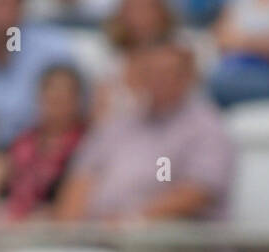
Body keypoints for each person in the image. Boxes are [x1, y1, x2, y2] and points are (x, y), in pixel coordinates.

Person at [54, 39, 232, 223]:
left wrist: (131, 220)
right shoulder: (118, 124)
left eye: (166, 73)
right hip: (97, 235)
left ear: (188, 77)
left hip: (167, 241)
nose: (157, 80)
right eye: (150, 73)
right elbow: (82, 178)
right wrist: (69, 231)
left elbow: (199, 192)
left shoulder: (206, 128)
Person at [0, 61, 85, 229]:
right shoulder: (20, 143)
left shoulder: (87, 147)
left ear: (77, 100)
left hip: (56, 239)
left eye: (64, 95)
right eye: (50, 92)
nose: (56, 99)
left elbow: (73, 207)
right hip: (6, 234)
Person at [0, 0, 74, 148]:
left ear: (22, 7)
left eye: (9, 4)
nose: (2, 11)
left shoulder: (52, 50)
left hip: (36, 149)